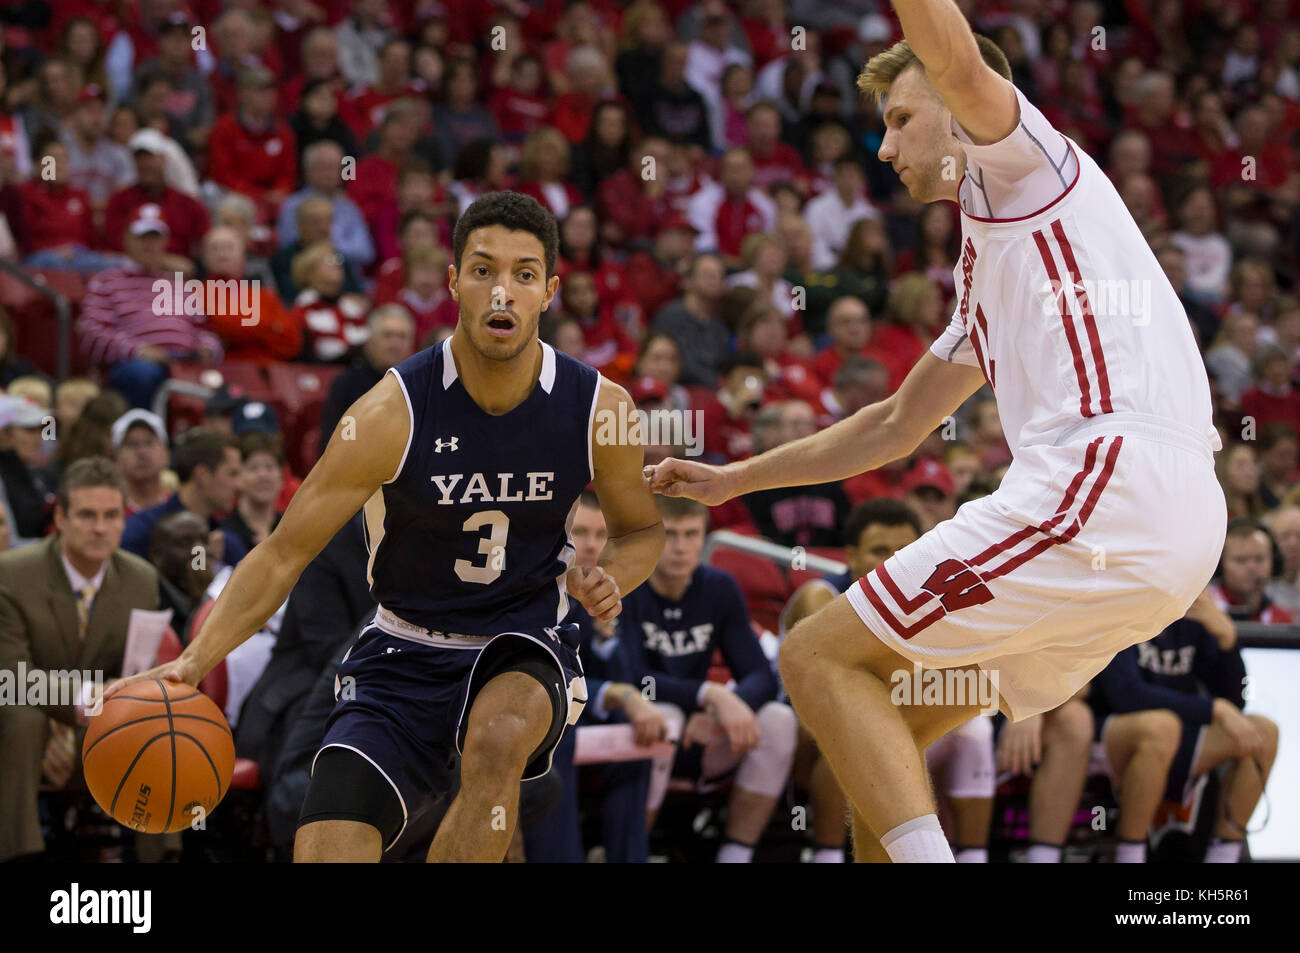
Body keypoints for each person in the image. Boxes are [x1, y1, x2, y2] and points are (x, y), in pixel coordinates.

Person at [647, 4, 1225, 863]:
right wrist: (735, 480)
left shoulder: (1028, 168)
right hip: (1167, 526)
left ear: (962, 107)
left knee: (814, 655)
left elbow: (952, 55)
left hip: (1108, 481)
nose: (885, 147)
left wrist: (938, 52)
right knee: (884, 728)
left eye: (900, 119)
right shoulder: (985, 260)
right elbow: (892, 424)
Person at [106, 192, 666, 863]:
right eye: (484, 269)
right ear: (455, 280)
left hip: (521, 639)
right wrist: (195, 661)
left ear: (548, 291)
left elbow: (643, 532)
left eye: (524, 274)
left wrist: (612, 579)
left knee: (499, 737)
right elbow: (285, 552)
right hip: (400, 651)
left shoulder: (600, 407)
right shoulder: (390, 412)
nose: (502, 291)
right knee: (324, 850)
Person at [620, 495, 796, 862]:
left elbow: (760, 676)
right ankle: (628, 851)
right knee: (666, 712)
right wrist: (708, 695)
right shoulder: (627, 588)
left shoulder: (719, 587)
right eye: (669, 535)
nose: (681, 548)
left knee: (779, 721)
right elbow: (630, 675)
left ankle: (736, 854)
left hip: (704, 733)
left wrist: (721, 709)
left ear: (705, 537)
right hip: (640, 728)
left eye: (691, 534)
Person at [0, 458, 159, 861]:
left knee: (157, 714)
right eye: (87, 515)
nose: (100, 527)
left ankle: (159, 850)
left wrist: (122, 698)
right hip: (27, 709)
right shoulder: (12, 574)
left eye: (111, 515)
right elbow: (11, 675)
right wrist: (91, 696)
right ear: (61, 518)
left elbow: (140, 667)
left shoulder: (141, 579)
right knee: (21, 715)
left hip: (104, 718)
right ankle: (21, 854)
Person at [1088, 590, 1278, 863]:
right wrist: (1213, 710)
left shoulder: (1190, 604)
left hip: (1173, 732)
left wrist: (1227, 641)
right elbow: (1125, 694)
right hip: (1112, 729)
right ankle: (1130, 854)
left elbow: (1234, 704)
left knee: (1263, 732)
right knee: (1161, 728)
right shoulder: (1118, 600)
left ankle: (1224, 855)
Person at [120, 427, 248, 567]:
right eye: (232, 474)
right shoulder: (141, 534)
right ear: (203, 475)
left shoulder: (226, 541)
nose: (239, 486)